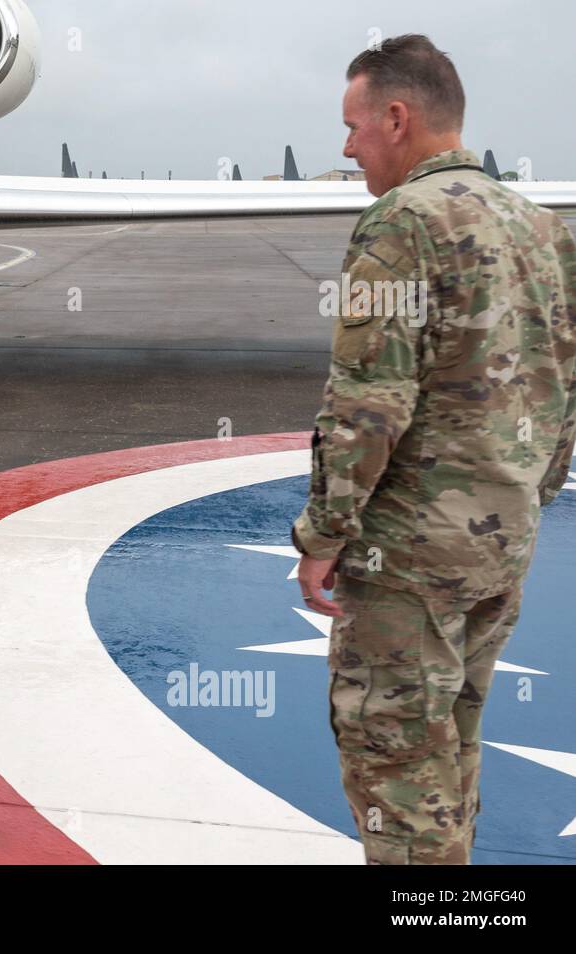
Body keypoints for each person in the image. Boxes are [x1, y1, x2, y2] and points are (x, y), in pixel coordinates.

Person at [292, 36, 576, 863]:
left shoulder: (402, 223)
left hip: (409, 561)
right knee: (451, 750)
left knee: (396, 772)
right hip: (501, 542)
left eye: (353, 127)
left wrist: (323, 535)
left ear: (397, 116)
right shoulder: (544, 227)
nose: (348, 148)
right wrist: (530, 495)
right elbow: (562, 382)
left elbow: (368, 406)